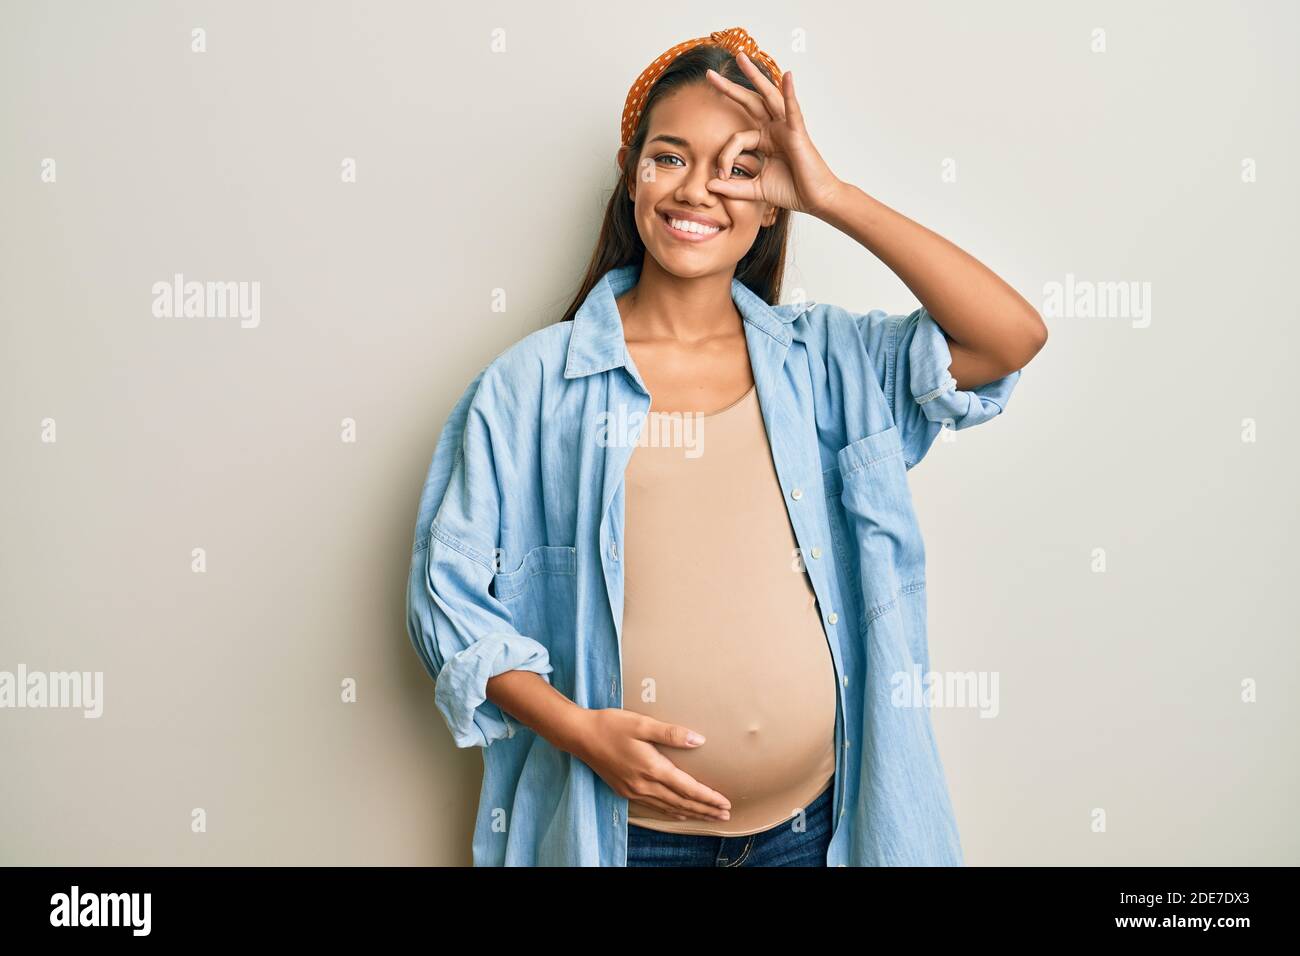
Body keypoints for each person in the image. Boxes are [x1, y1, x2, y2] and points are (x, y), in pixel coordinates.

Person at [405, 26, 1048, 867]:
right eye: (670, 157)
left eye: (741, 167)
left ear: (775, 198)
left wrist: (833, 194)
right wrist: (583, 733)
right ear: (631, 173)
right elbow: (446, 604)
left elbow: (1009, 339)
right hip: (626, 841)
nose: (700, 190)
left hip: (817, 835)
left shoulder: (830, 365)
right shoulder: (531, 387)